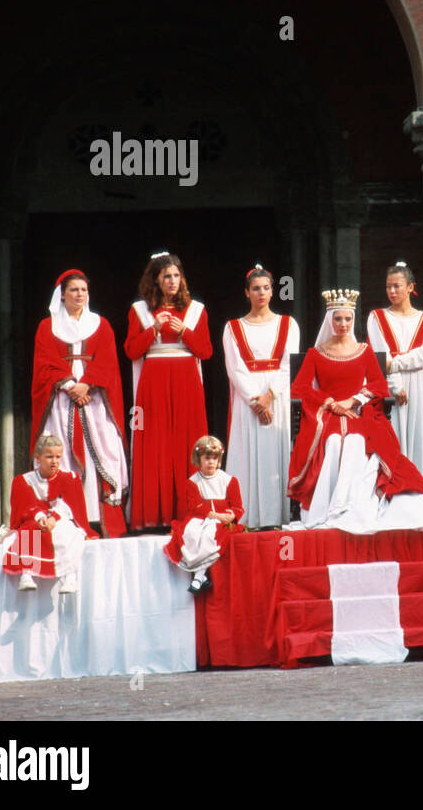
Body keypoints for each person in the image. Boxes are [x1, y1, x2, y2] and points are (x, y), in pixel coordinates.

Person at [288, 289, 423, 534]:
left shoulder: (363, 351)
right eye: (338, 319)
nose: (343, 324)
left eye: (348, 319)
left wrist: (353, 400)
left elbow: (379, 385)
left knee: (354, 443)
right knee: (332, 442)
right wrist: (330, 403)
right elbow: (299, 388)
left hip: (360, 412)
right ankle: (328, 507)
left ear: (353, 321)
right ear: (330, 320)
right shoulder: (317, 353)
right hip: (328, 414)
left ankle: (350, 506)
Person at [30, 269, 128, 537]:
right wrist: (71, 384)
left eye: (83, 290)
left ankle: (100, 519)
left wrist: (88, 383)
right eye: (74, 290)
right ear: (62, 295)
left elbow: (108, 361)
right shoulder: (46, 326)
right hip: (62, 401)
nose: (80, 295)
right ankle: (67, 520)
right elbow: (44, 362)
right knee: (63, 456)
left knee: (104, 449)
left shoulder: (101, 324)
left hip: (94, 400)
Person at [125, 252, 212, 531]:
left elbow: (206, 351)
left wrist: (185, 331)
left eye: (176, 275)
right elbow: (131, 351)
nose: (172, 281)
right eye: (166, 276)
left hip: (186, 380)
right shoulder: (140, 310)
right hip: (154, 382)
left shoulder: (196, 309)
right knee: (156, 443)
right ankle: (155, 514)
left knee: (186, 441)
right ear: (156, 280)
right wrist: (154, 329)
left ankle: (190, 510)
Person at [223, 265, 301, 529]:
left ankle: (276, 517)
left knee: (275, 453)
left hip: (276, 395)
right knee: (247, 453)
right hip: (249, 400)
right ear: (247, 293)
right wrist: (256, 401)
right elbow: (235, 368)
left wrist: (269, 396)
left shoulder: (288, 324)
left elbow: (288, 364)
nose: (261, 293)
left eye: (266, 288)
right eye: (256, 289)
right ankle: (248, 516)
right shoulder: (233, 327)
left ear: (273, 291)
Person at [367, 262, 423, 485]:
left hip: (419, 385)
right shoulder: (377, 317)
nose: (392, 291)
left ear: (410, 287)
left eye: (397, 286)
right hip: (391, 387)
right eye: (388, 287)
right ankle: (394, 487)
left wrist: (395, 363)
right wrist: (395, 386)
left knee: (422, 437)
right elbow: (380, 356)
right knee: (394, 436)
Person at [3, 435, 97, 594]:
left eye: (58, 457)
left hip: (61, 518)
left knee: (67, 530)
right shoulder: (24, 480)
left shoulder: (69, 478)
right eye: (49, 457)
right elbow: (26, 505)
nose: (54, 461)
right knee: (29, 528)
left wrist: (54, 518)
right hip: (34, 518)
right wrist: (40, 517)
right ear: (38, 458)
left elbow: (70, 505)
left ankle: (69, 575)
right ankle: (27, 573)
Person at [164, 436, 244, 593]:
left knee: (209, 534)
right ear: (198, 459)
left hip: (221, 521)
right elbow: (195, 506)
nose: (211, 462)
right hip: (200, 517)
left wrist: (232, 515)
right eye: (207, 458)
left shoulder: (229, 480)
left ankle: (199, 577)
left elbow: (238, 507)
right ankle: (201, 576)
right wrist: (215, 515)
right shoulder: (193, 482)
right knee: (191, 533)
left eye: (214, 458)